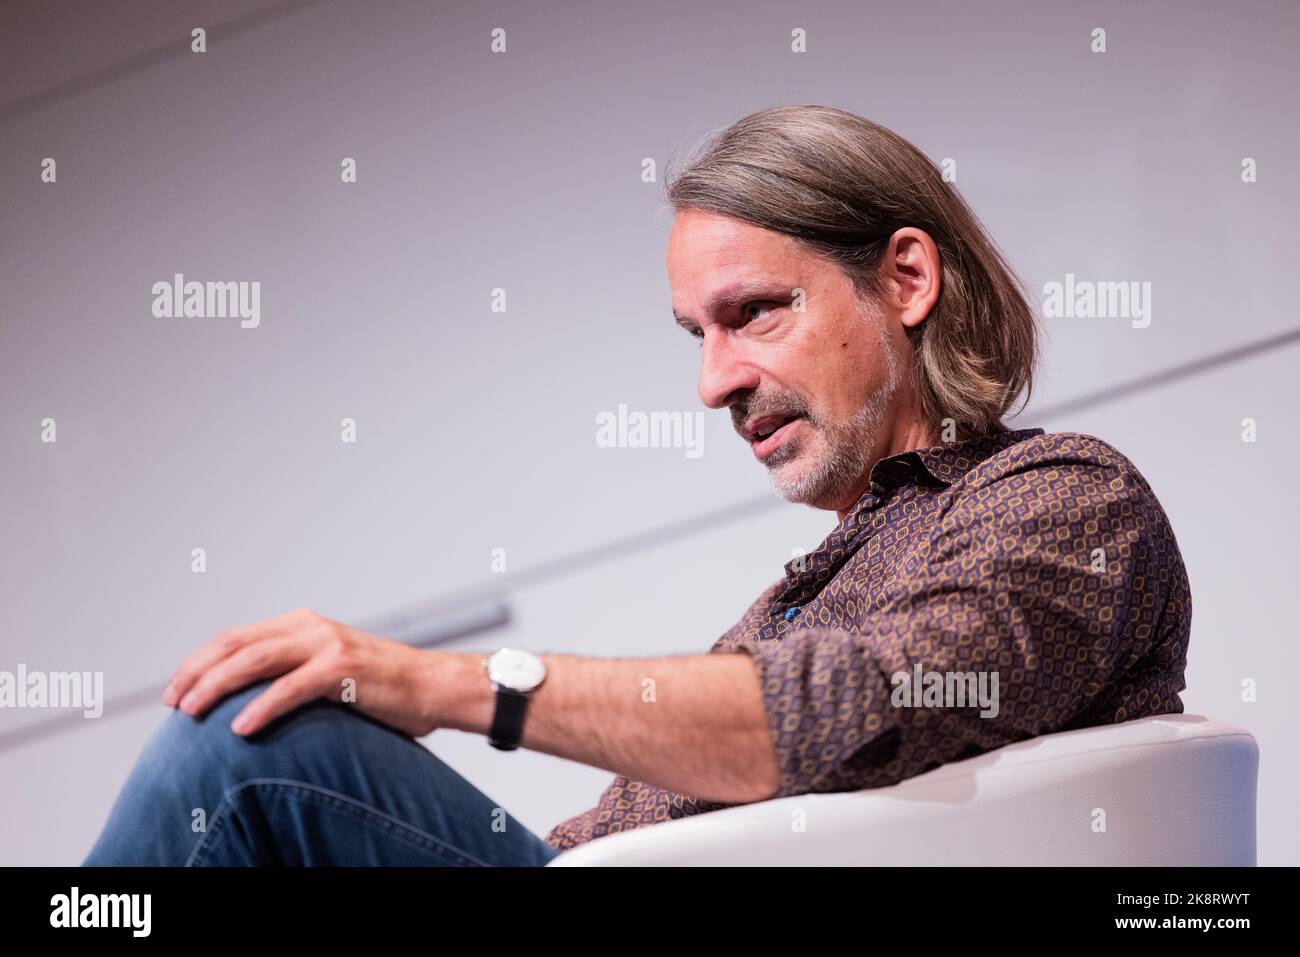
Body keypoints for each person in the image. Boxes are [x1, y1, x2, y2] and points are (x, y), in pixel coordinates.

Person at [83, 105, 1190, 866]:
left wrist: (446, 685)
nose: (715, 382)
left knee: (248, 749)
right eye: (693, 334)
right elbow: (600, 847)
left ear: (904, 277)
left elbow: (847, 713)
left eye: (755, 311)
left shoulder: (1063, 497)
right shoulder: (783, 609)